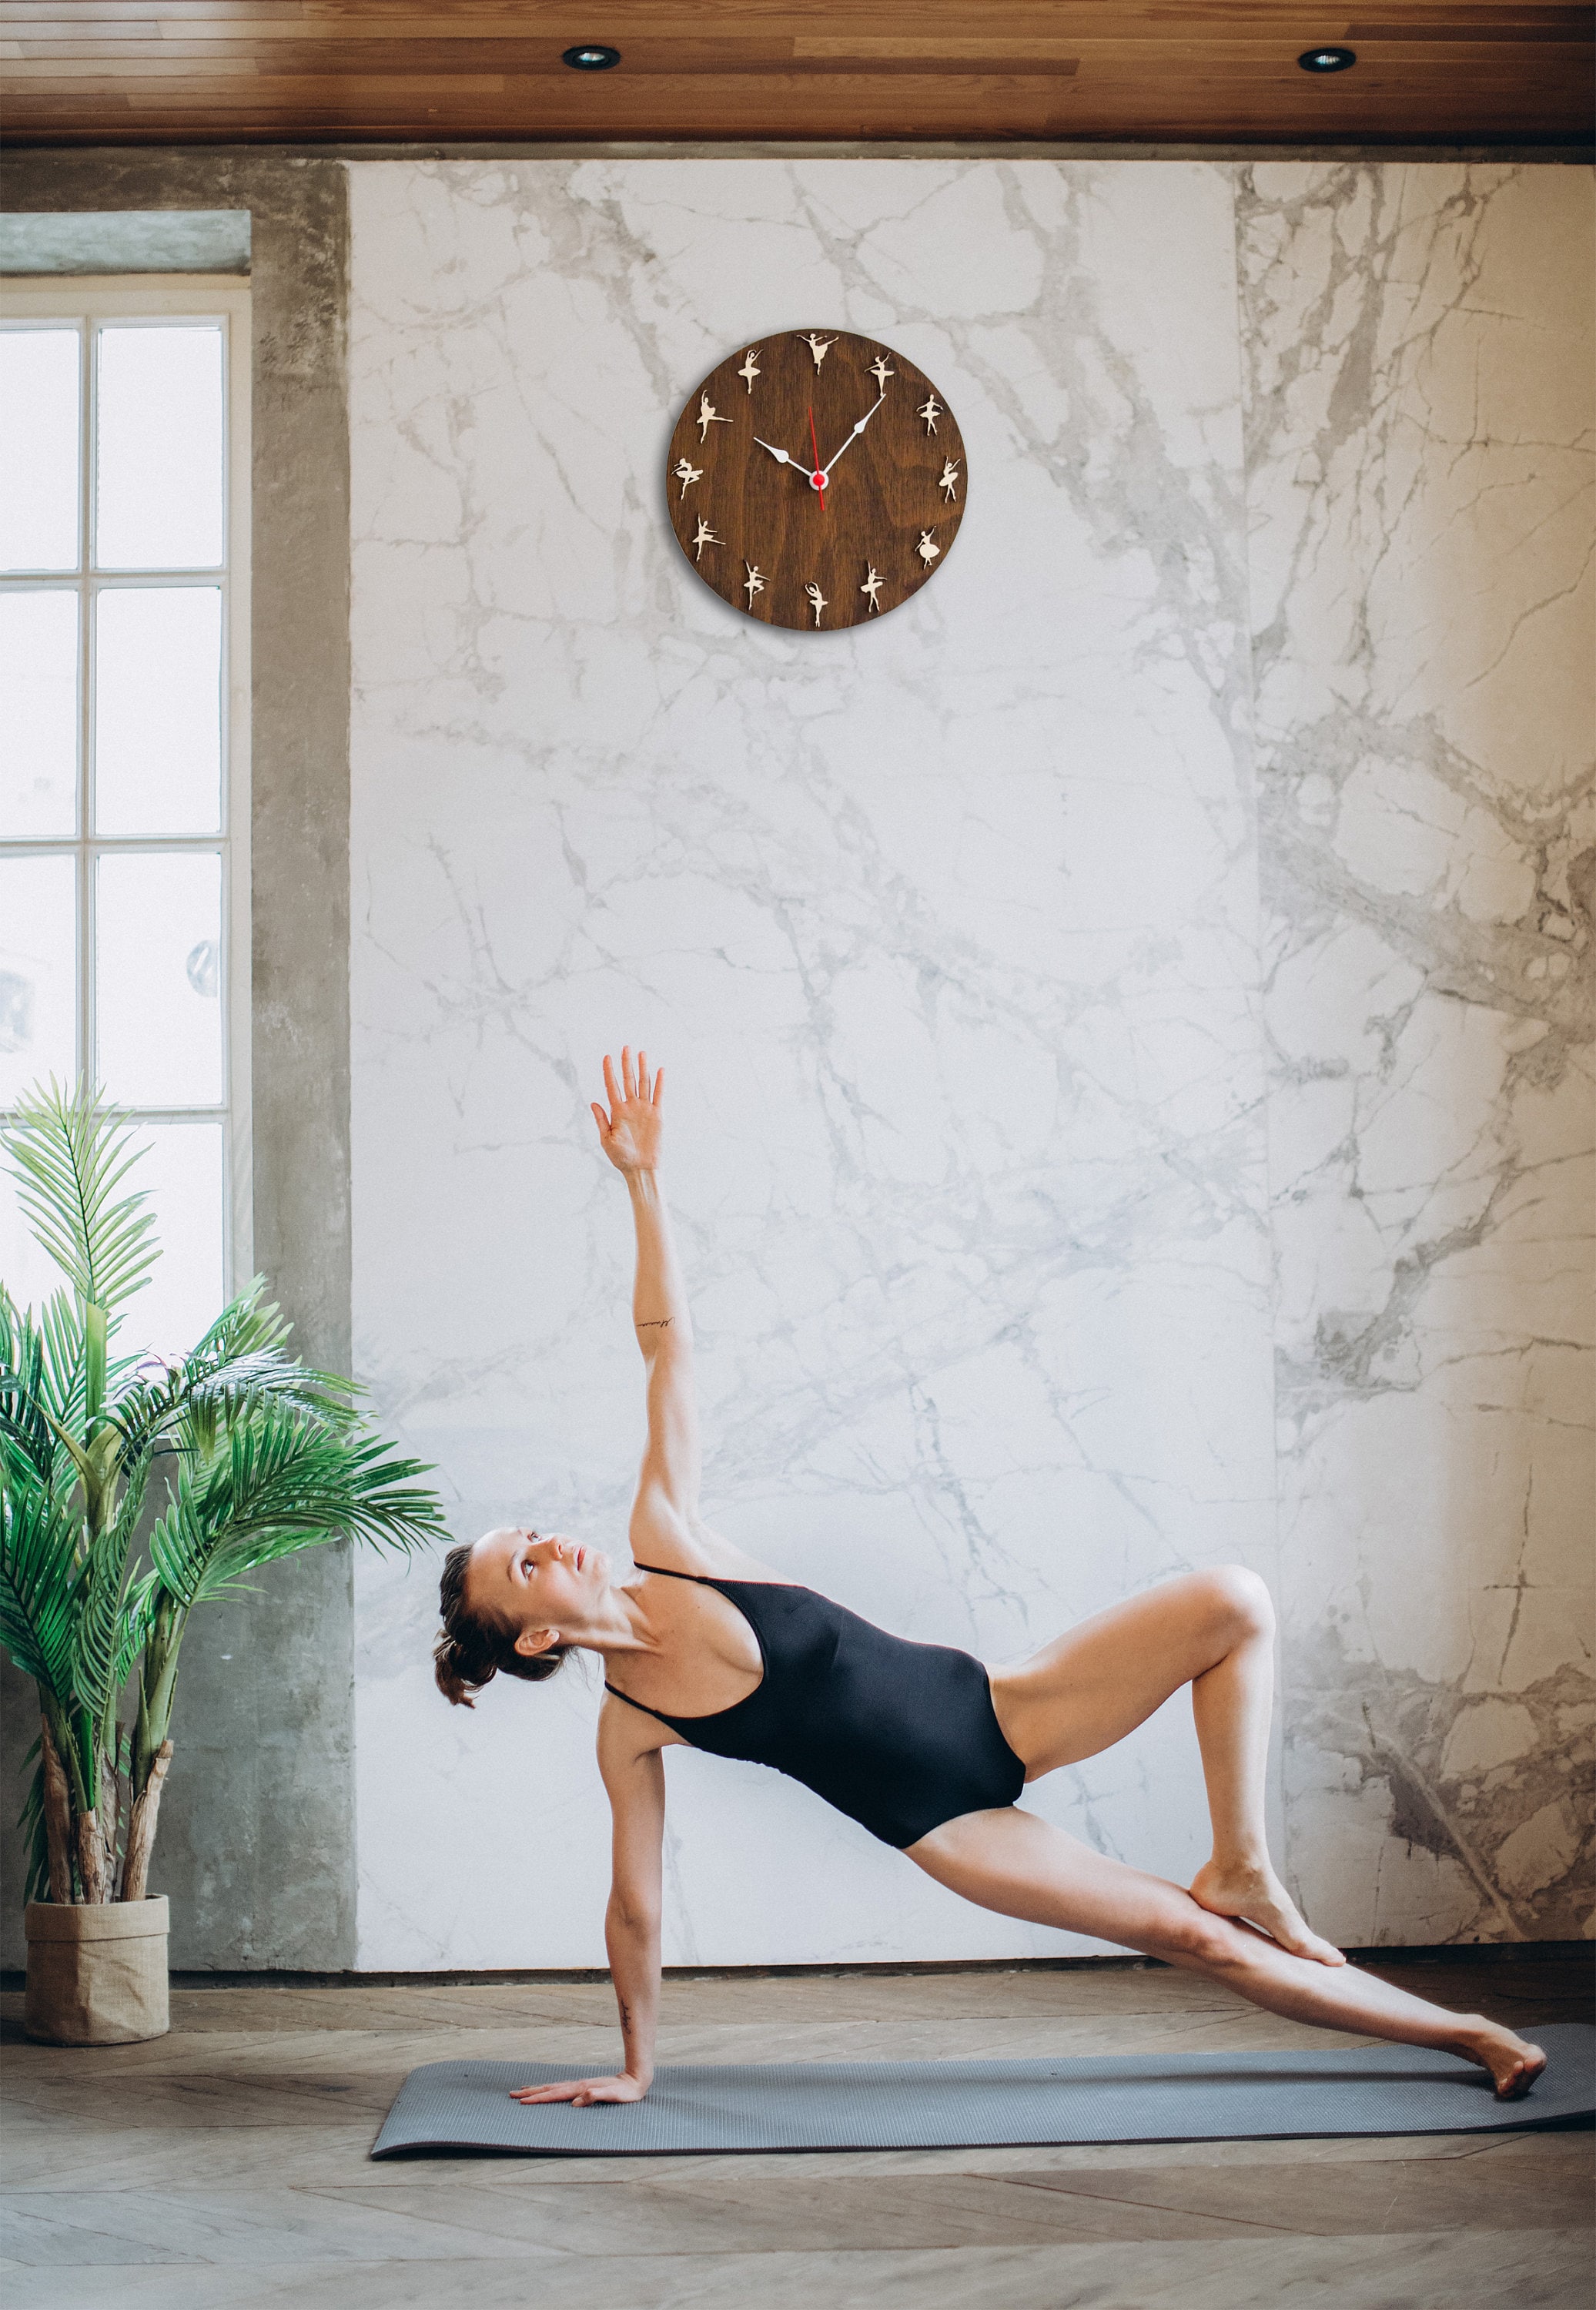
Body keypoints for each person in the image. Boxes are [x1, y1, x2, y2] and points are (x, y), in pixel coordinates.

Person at [433, 1048, 1547, 2109]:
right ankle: (1473, 2037)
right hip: (948, 1824)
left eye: (533, 1531)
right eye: (524, 1566)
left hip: (1001, 1707)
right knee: (1194, 1941)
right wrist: (635, 2069)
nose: (552, 1545)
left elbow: (666, 1344)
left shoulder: (666, 1535)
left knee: (1233, 1601)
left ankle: (1241, 1859)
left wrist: (644, 1182)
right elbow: (636, 1906)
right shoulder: (628, 1727)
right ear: (534, 1638)